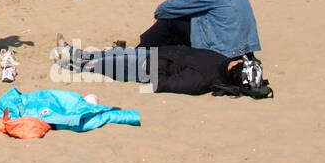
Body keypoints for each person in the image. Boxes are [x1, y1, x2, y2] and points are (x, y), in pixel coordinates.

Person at [52, 36, 241, 95]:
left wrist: (156, 66)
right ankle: (76, 54)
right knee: (114, 53)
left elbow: (165, 84)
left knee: (103, 65)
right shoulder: (221, 60)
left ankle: (68, 66)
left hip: (145, 68)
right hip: (157, 54)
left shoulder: (203, 77)